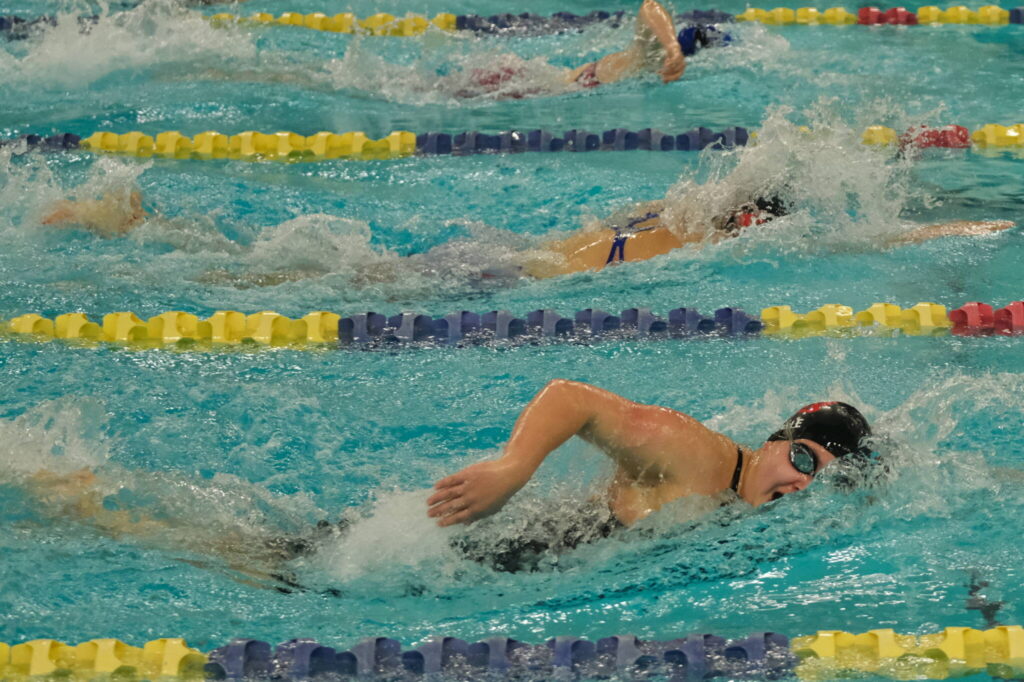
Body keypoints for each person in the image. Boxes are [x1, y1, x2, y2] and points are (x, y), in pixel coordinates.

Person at [39, 186, 1015, 283]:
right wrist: (985, 221)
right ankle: (144, 230)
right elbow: (854, 251)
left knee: (304, 270)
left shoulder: (662, 212)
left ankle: (149, 223)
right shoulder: (713, 243)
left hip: (492, 253)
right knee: (281, 288)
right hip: (489, 282)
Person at [428, 381, 875, 538]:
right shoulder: (694, 452)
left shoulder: (745, 503)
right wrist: (513, 468)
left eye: (820, 482)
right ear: (775, 442)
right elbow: (573, 398)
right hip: (487, 545)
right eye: (803, 460)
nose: (802, 485)